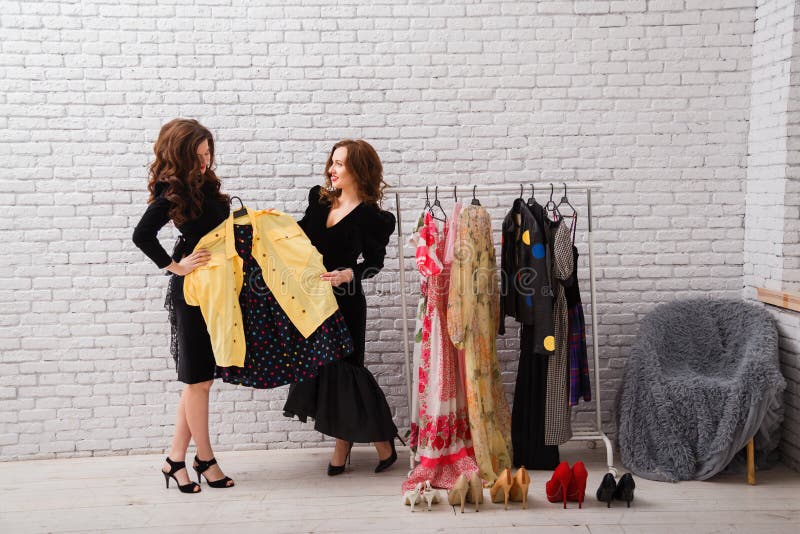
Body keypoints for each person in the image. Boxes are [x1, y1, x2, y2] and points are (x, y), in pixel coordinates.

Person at [283, 139, 401, 475]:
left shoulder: (375, 218)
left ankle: (361, 445)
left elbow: (374, 263)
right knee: (328, 372)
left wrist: (351, 272)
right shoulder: (319, 201)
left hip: (347, 300)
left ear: (358, 170)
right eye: (332, 162)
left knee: (347, 371)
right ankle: (373, 444)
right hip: (315, 300)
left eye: (340, 164)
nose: (332, 170)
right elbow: (298, 240)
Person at [132, 119, 234, 493]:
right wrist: (175, 266)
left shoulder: (202, 184)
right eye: (198, 156)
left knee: (200, 380)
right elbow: (141, 235)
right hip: (191, 292)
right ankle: (204, 458)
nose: (206, 162)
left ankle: (175, 460)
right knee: (199, 381)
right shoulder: (172, 191)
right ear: (180, 154)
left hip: (214, 289)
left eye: (208, 154)